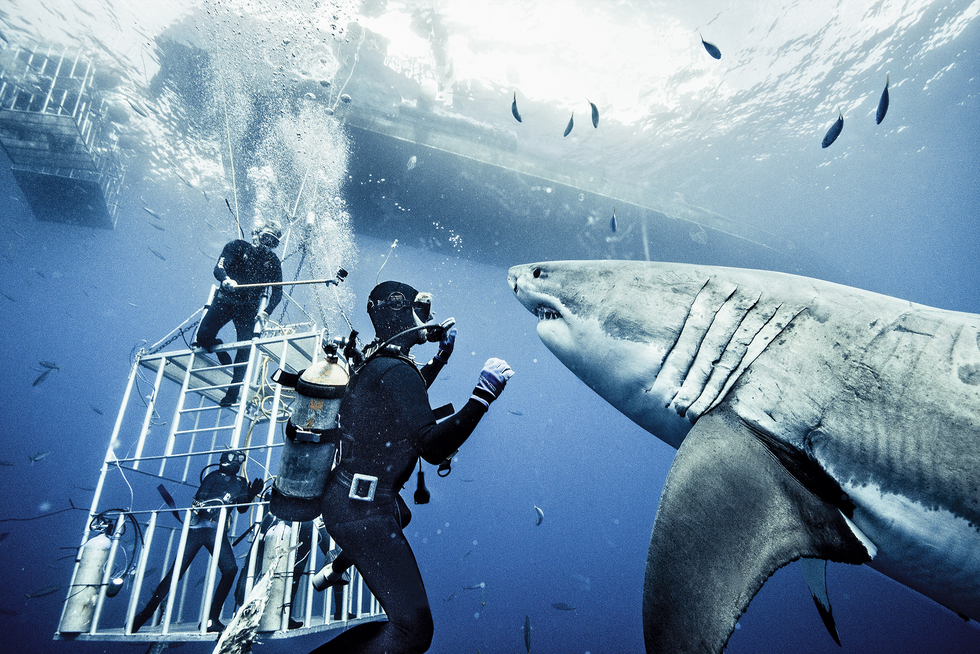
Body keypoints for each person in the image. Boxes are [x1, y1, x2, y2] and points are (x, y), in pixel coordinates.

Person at [309, 281, 514, 654]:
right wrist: (482, 395)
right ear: (398, 310)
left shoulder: (379, 362)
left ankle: (336, 568)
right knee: (412, 632)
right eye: (422, 309)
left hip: (347, 496)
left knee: (401, 513)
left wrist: (441, 358)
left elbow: (406, 396)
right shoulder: (396, 369)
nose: (429, 318)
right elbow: (433, 448)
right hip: (362, 510)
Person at [132, 450, 263, 633]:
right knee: (175, 573)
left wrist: (250, 495)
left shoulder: (241, 482)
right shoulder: (212, 476)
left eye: (239, 459)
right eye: (232, 458)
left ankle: (211, 619)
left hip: (216, 532)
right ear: (222, 460)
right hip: (197, 530)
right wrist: (216, 504)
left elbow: (241, 509)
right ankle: (143, 615)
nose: (235, 462)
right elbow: (198, 500)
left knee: (230, 570)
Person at [194, 221, 284, 406]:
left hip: (248, 309)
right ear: (257, 234)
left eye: (273, 242)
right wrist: (226, 279)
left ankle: (233, 392)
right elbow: (218, 268)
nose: (267, 244)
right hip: (225, 300)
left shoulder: (273, 262)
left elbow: (278, 292)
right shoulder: (236, 246)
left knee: (245, 349)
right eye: (265, 238)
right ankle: (216, 346)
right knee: (202, 337)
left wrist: (266, 312)